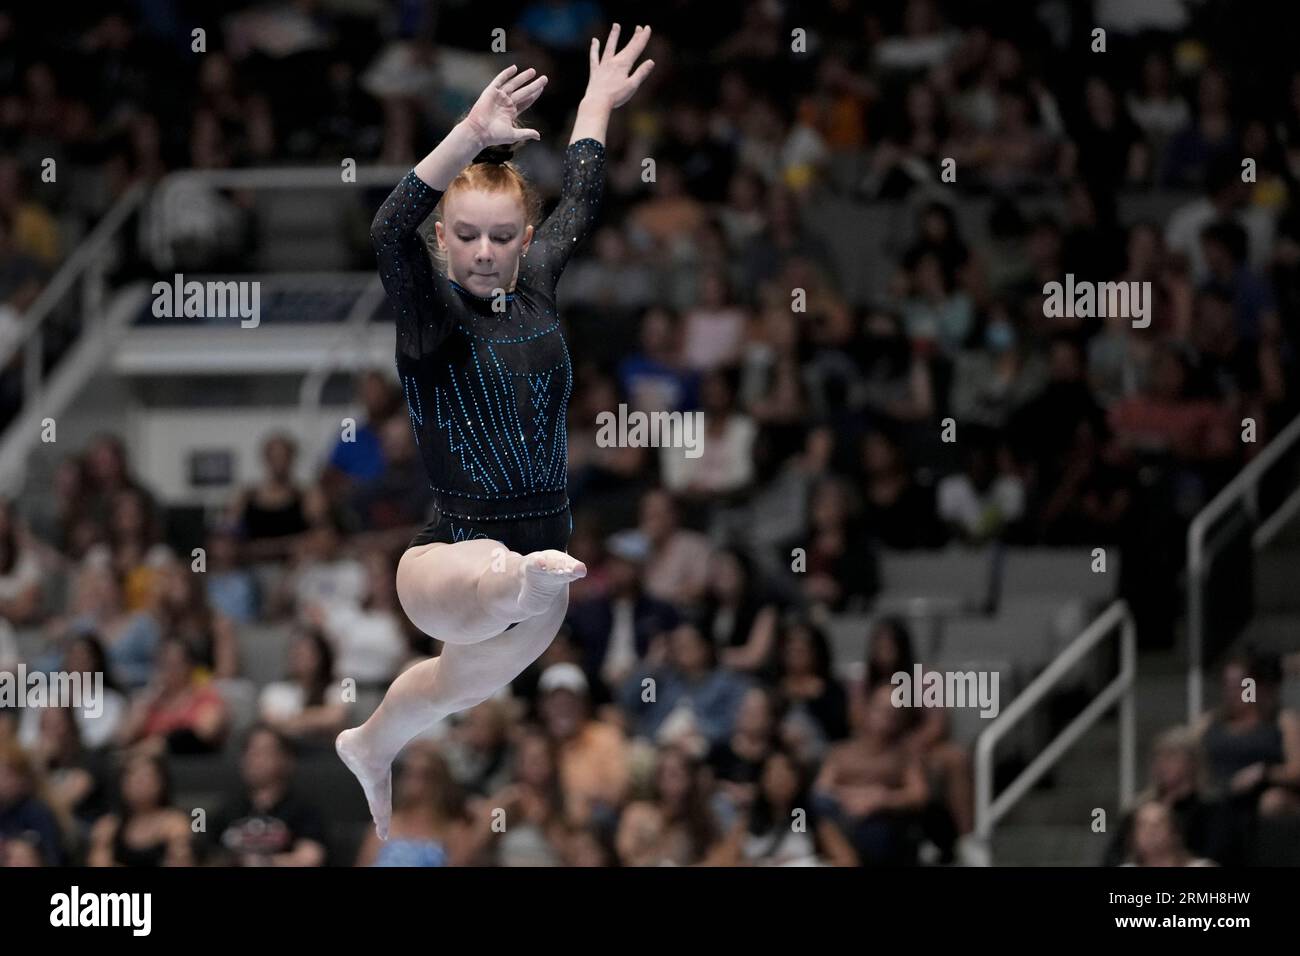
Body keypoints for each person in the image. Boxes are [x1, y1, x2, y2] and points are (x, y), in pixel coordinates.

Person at [337, 25, 656, 839]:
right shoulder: (430, 316)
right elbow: (385, 230)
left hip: (545, 570)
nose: (486, 252)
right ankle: (520, 580)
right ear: (442, 241)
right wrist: (469, 136)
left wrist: (592, 105)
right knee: (494, 575)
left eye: (505, 236)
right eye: (467, 235)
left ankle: (369, 744)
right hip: (448, 558)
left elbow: (582, 198)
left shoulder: (540, 288)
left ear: (525, 239)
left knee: (450, 688)